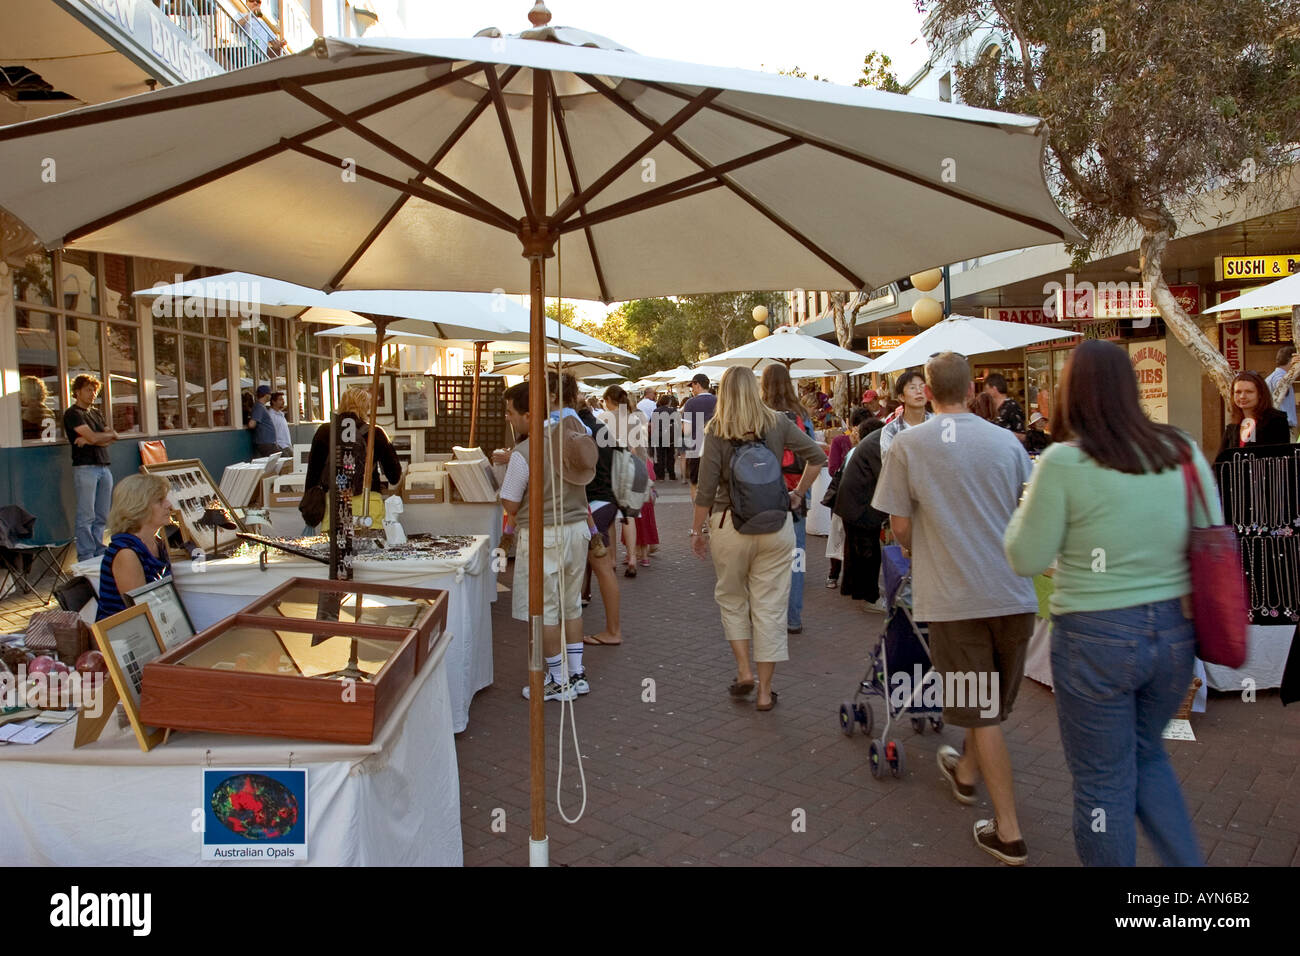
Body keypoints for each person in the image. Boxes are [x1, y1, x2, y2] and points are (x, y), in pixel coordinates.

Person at [1004, 339, 1219, 867]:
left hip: (1094, 638)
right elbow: (1211, 531)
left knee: (1102, 781)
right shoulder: (1182, 450)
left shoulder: (1064, 462)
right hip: (1172, 635)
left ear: (1071, 392)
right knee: (1147, 756)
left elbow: (1026, 556)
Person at [872, 352, 1039, 866]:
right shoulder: (1007, 442)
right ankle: (965, 774)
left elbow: (899, 527)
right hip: (1013, 596)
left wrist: (924, 549)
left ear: (927, 389)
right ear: (972, 391)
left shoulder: (908, 445)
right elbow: (1023, 508)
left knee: (981, 712)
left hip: (956, 601)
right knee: (988, 705)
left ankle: (1008, 831)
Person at [691, 367, 825, 711]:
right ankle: (765, 692)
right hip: (775, 524)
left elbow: (705, 492)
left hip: (728, 523)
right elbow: (818, 457)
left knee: (733, 598)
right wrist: (797, 493)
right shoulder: (778, 423)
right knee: (770, 607)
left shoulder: (717, 430)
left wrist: (696, 532)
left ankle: (744, 670)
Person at [498, 382, 595, 702]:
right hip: (577, 528)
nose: (508, 419)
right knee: (571, 606)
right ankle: (577, 673)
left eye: (511, 412)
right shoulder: (570, 437)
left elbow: (510, 503)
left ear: (528, 413)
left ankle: (557, 678)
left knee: (546, 611)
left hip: (544, 535)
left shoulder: (524, 452)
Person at [760, 363, 817, 634]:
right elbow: (814, 456)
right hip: (795, 494)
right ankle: (793, 617)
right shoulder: (801, 415)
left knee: (766, 558)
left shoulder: (759, 415)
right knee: (796, 556)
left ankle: (768, 616)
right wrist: (801, 490)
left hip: (764, 494)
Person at [304, 387, 401, 529]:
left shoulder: (324, 431)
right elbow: (394, 476)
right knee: (372, 550)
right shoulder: (376, 433)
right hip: (369, 506)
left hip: (335, 506)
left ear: (342, 404)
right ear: (366, 407)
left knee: (337, 550)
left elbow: (313, 475)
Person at [573, 375, 623, 646]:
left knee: (601, 566)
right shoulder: (601, 428)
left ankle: (613, 630)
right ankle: (585, 594)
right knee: (596, 562)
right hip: (607, 500)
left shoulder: (580, 433)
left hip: (593, 503)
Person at [95, 474, 173, 621]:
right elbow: (140, 612)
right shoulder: (126, 552)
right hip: (125, 636)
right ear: (139, 507)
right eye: (160, 501)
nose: (169, 504)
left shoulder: (157, 542)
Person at [63, 374, 118, 561]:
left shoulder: (96, 413)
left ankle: (99, 549)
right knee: (86, 514)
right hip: (85, 467)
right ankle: (86, 554)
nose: (92, 393)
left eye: (94, 390)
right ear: (77, 392)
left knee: (102, 513)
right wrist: (95, 438)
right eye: (88, 389)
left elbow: (113, 436)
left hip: (104, 466)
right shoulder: (72, 414)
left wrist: (89, 440)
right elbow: (99, 437)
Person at [835, 418, 888, 609]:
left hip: (854, 504)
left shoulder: (876, 440)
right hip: (860, 506)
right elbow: (887, 476)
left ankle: (857, 590)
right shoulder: (878, 443)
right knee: (868, 552)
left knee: (857, 550)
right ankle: (870, 597)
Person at [599, 385, 649, 577]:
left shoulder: (603, 420)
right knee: (630, 517)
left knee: (610, 519)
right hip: (631, 470)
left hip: (610, 472)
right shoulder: (634, 419)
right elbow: (638, 450)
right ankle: (632, 559)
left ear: (609, 400)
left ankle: (611, 560)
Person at [825, 407, 869, 588]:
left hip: (862, 499)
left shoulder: (870, 443)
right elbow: (832, 468)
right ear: (852, 426)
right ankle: (833, 574)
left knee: (857, 541)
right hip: (841, 496)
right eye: (858, 426)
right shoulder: (840, 441)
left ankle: (853, 579)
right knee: (838, 535)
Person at [1217, 370, 1290, 456]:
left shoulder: (1276, 421)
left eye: (1249, 392)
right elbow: (1219, 463)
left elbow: (1280, 459)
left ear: (1260, 394)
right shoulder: (1232, 427)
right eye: (1238, 392)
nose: (1242, 396)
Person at [878, 370, 932, 458]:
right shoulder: (890, 430)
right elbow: (890, 467)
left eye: (922, 386)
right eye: (912, 388)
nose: (919, 391)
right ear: (901, 397)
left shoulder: (938, 423)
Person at [682, 373, 717, 499]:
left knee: (695, 483)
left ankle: (700, 516)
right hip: (716, 449)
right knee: (715, 484)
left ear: (697, 384)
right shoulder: (719, 400)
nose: (692, 389)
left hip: (696, 448)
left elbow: (686, 431)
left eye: (692, 386)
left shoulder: (691, 403)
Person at [1264, 345, 1297, 441]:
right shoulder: (1279, 376)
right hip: (1283, 429)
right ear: (1292, 359)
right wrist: (1294, 370)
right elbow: (1282, 387)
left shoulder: (1271, 377)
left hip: (1276, 427)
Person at [650, 394, 679, 482]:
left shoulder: (656, 411)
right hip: (670, 436)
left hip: (658, 436)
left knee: (660, 457)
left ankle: (661, 476)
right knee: (670, 456)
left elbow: (653, 425)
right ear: (669, 402)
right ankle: (672, 475)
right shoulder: (673, 410)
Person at [21, 375, 55, 441]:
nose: (20, 397)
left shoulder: (32, 411)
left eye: (22, 394)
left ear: (29, 393)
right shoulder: (48, 411)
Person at [248, 385, 279, 457]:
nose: (271, 396)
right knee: (277, 463)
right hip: (265, 443)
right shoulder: (259, 407)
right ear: (266, 395)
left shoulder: (261, 406)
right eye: (270, 394)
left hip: (268, 442)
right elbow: (251, 424)